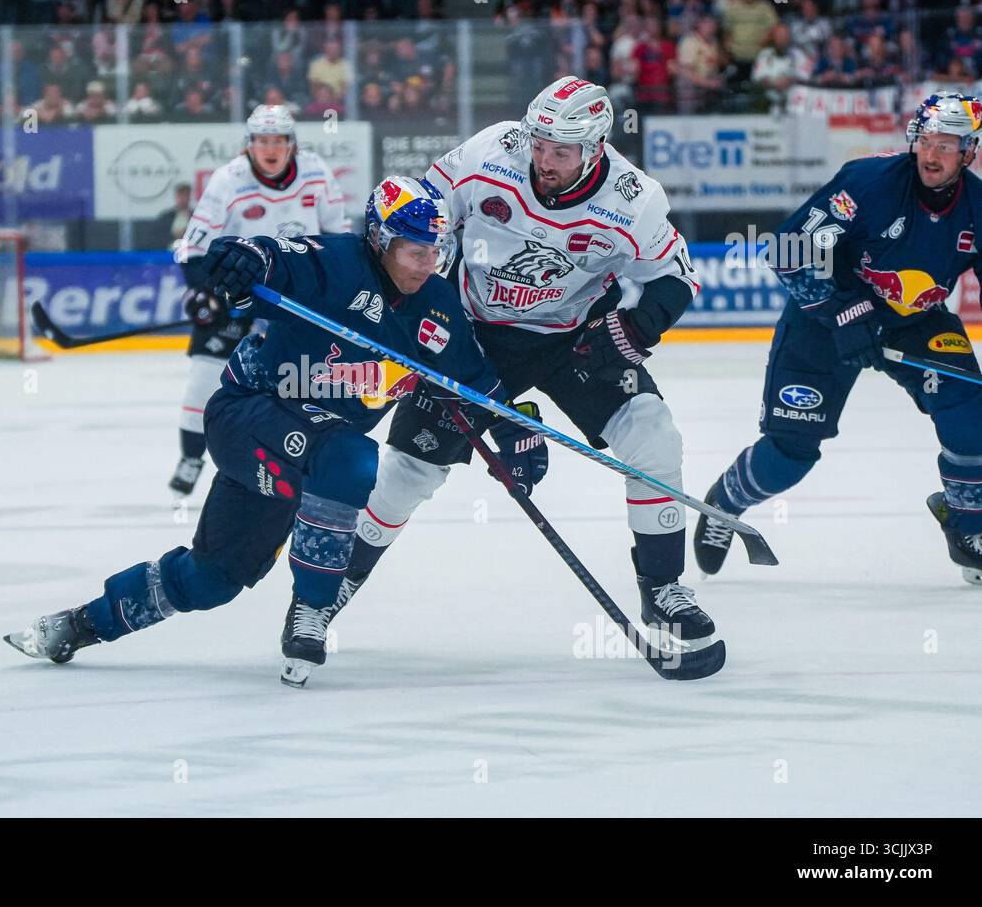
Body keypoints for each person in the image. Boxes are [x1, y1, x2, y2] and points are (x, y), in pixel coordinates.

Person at [5, 177, 546, 672]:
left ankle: (76, 625)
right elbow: (263, 256)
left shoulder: (437, 305)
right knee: (351, 459)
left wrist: (514, 428)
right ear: (380, 241)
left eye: (436, 250)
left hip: (304, 452)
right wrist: (237, 260)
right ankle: (313, 608)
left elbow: (475, 383)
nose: (427, 263)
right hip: (251, 413)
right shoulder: (334, 260)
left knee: (212, 579)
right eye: (414, 250)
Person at [276, 77, 714, 686]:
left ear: (596, 147)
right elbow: (421, 213)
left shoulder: (633, 198)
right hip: (470, 334)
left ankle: (663, 587)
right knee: (407, 475)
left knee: (654, 437)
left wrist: (635, 329)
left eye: (561, 151)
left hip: (571, 339)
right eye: (539, 144)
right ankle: (323, 598)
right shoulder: (491, 152)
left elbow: (677, 278)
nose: (544, 160)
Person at [694, 93, 982, 585]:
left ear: (969, 152)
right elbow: (787, 250)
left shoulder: (978, 208)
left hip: (914, 321)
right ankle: (725, 501)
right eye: (926, 141)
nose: (933, 156)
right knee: (791, 452)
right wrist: (845, 314)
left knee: (970, 411)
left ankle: (968, 527)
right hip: (826, 317)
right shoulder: (868, 183)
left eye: (948, 146)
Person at [168, 104, 349, 497]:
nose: (271, 149)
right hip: (238, 296)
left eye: (279, 140)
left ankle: (296, 465)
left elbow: (340, 244)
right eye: (262, 141)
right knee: (203, 381)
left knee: (302, 387)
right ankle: (191, 458)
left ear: (292, 145)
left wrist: (330, 292)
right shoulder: (227, 181)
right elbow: (192, 249)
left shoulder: (317, 174)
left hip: (295, 301)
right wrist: (204, 292)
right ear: (248, 146)